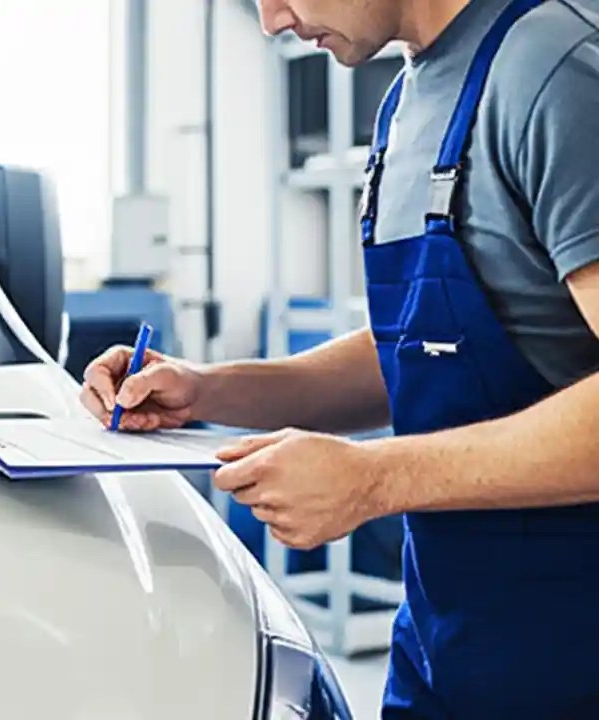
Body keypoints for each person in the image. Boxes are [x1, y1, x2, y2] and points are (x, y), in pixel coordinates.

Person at [80, 0, 599, 717]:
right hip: (448, 655)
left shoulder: (554, 72)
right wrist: (207, 390)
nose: (270, 20)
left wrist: (374, 481)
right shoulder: (403, 105)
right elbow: (420, 344)